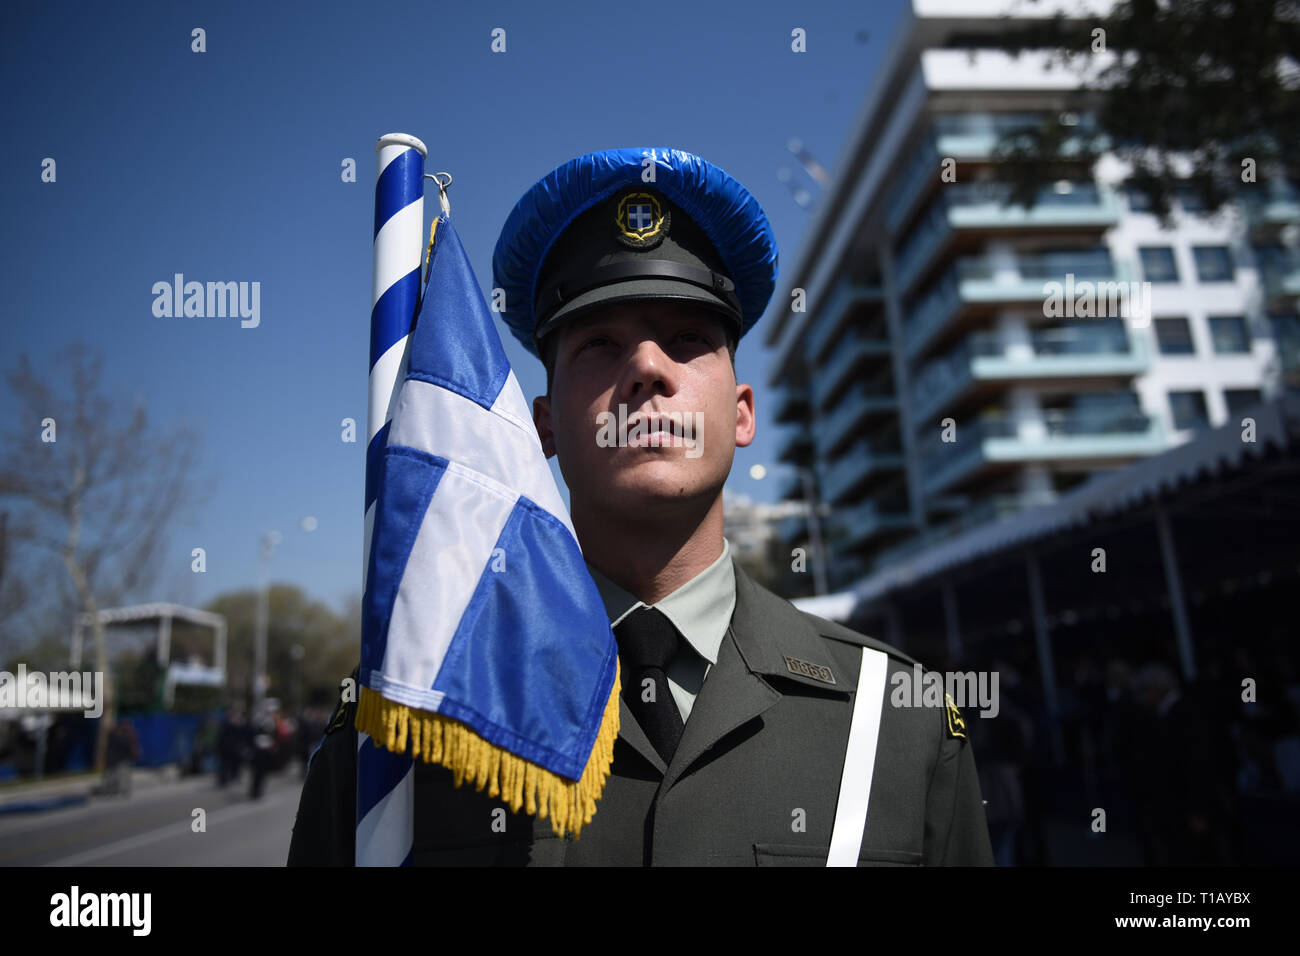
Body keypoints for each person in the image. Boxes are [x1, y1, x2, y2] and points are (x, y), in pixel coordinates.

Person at [288, 147, 995, 866]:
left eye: (688, 339)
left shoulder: (895, 715)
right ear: (542, 428)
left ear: (743, 414)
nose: (648, 368)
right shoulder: (411, 709)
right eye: (600, 343)